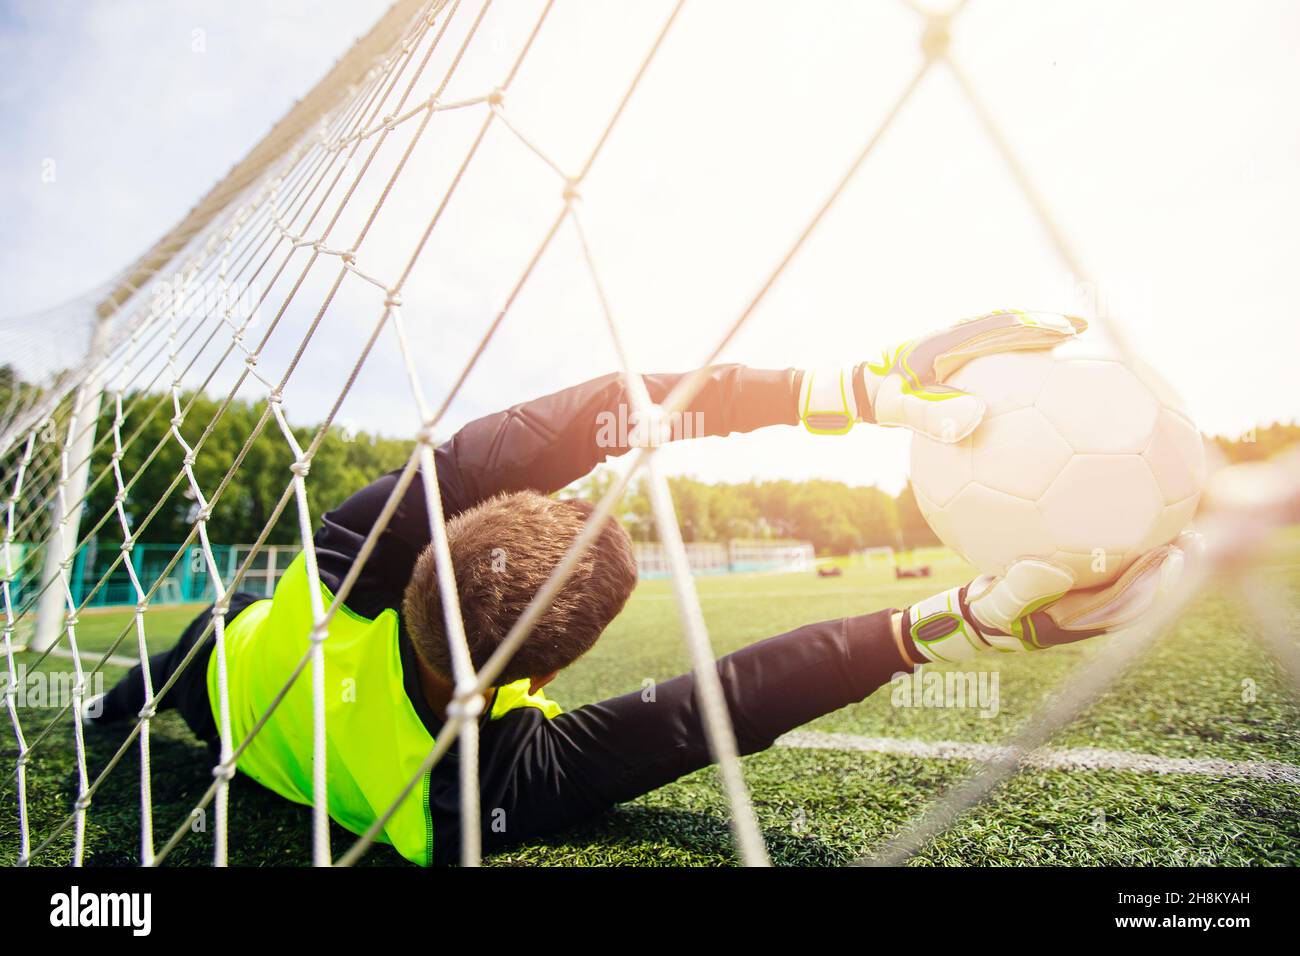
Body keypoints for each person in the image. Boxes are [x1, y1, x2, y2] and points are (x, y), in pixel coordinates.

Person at [90, 310, 1192, 864]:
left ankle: (106, 706)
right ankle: (113, 706)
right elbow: (716, 705)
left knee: (162, 678)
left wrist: (853, 389)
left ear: (441, 541)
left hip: (229, 674)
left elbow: (561, 427)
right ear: (554, 666)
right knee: (170, 679)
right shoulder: (474, 796)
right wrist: (946, 625)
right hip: (237, 694)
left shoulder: (348, 547)